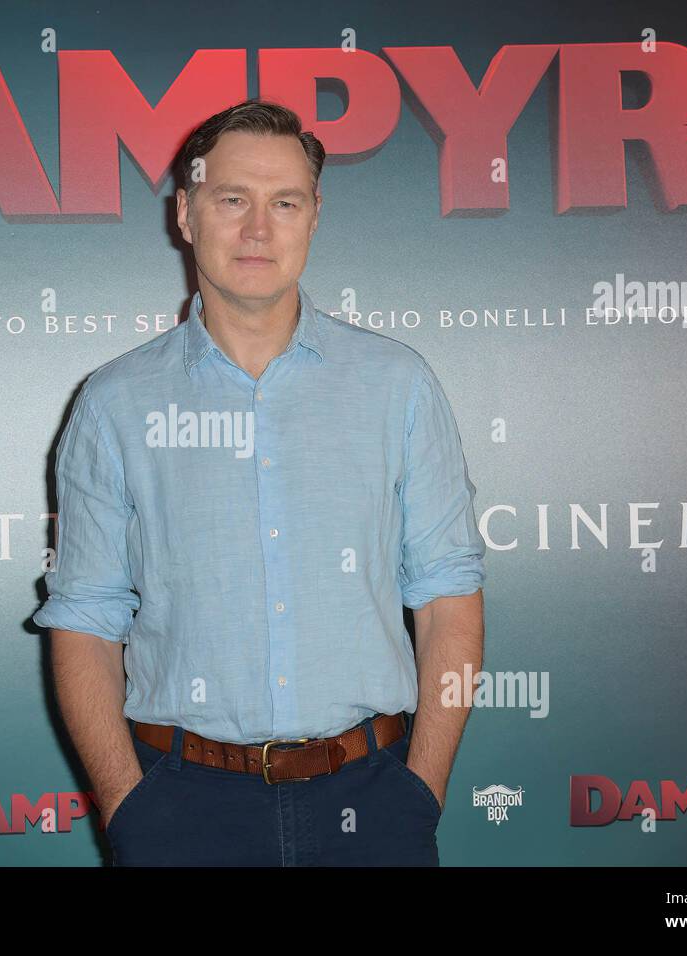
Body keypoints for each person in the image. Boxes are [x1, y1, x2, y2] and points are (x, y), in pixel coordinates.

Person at [33, 99, 486, 866]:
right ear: (185, 212)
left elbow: (448, 599)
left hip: (372, 803)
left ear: (314, 218)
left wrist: (422, 792)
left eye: (285, 202)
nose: (257, 227)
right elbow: (85, 618)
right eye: (231, 198)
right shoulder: (114, 404)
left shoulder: (397, 385)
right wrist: (126, 805)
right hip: (180, 810)